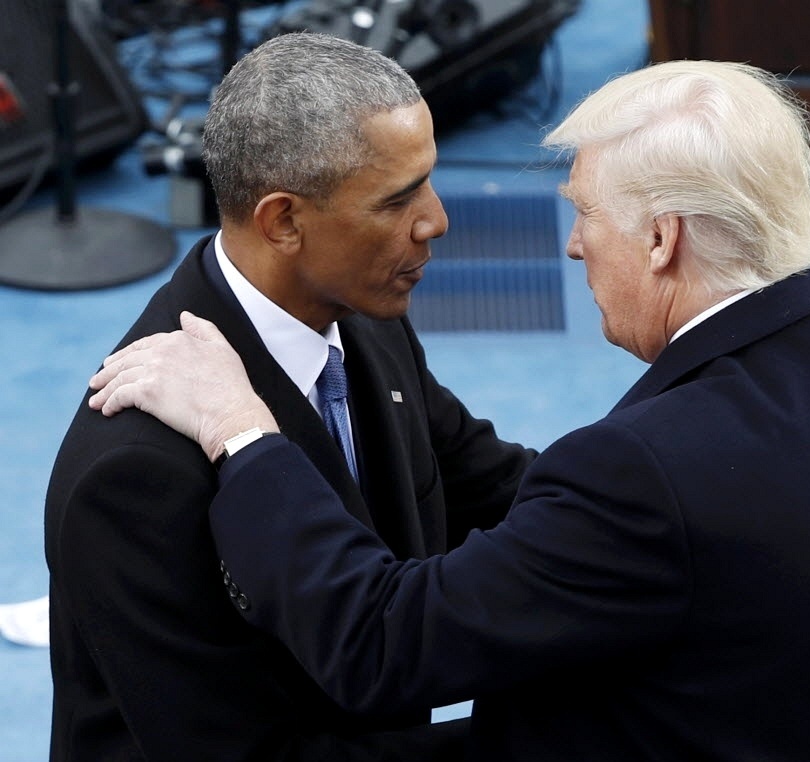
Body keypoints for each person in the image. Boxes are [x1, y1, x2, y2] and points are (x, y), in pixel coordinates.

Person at [89, 60, 810, 761]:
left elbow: (383, 644)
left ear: (661, 241)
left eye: (584, 215)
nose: (571, 247)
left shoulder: (648, 472)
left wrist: (243, 435)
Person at [44, 32, 535, 761]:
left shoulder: (363, 324)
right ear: (283, 221)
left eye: (427, 182)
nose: (436, 220)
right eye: (398, 199)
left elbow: (495, 489)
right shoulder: (134, 472)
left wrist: (669, 526)